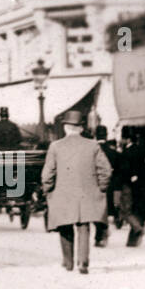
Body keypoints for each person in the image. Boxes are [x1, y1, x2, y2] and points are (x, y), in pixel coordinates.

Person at [40, 110, 112, 274]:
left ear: (66, 128)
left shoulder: (55, 146)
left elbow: (48, 173)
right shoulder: (93, 145)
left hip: (62, 194)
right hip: (87, 194)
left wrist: (47, 189)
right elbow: (106, 170)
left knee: (64, 226)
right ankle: (83, 263)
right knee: (84, 226)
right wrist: (101, 187)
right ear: (80, 128)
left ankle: (68, 262)